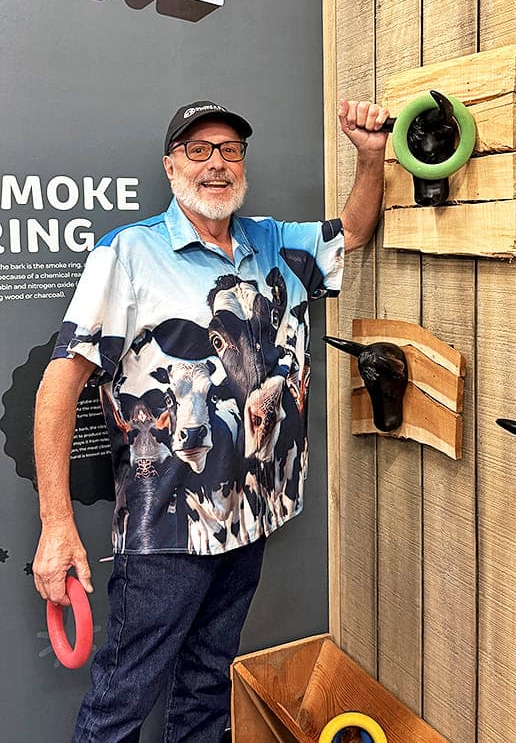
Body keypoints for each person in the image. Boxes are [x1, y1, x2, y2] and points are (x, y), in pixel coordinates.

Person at [32, 97, 390, 743]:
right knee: (123, 700)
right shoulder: (130, 253)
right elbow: (61, 380)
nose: (216, 163)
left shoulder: (273, 241)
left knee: (205, 683)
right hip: (168, 529)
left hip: (249, 517)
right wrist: (57, 525)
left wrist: (371, 155)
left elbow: (354, 232)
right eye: (198, 150)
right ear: (171, 166)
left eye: (229, 149)